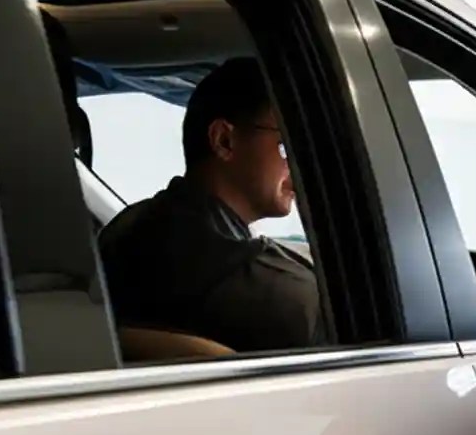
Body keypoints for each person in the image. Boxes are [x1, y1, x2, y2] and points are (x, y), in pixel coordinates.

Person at [99, 57, 325, 353]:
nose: (299, 165)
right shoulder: (284, 294)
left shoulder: (123, 232)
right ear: (224, 140)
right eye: (287, 147)